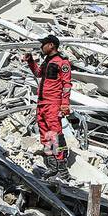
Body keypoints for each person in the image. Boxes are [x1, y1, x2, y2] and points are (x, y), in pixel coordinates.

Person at [24, 34, 72, 179]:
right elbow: (38, 73)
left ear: (51, 45)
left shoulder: (62, 63)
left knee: (55, 133)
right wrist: (30, 61)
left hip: (53, 103)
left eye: (43, 44)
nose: (41, 47)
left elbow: (67, 85)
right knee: (46, 134)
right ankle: (52, 166)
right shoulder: (47, 61)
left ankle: (62, 168)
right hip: (42, 103)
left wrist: (64, 104)